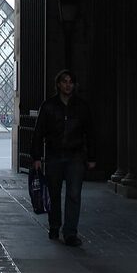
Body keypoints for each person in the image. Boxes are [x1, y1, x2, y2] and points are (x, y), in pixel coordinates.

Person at [31, 69, 96, 246]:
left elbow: (90, 132)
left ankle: (70, 233)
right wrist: (36, 157)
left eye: (71, 82)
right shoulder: (48, 106)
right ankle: (54, 225)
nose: (68, 85)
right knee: (54, 194)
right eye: (64, 81)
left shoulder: (82, 107)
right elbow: (38, 133)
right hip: (54, 155)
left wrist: (92, 157)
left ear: (74, 85)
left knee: (74, 194)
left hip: (75, 156)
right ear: (58, 84)